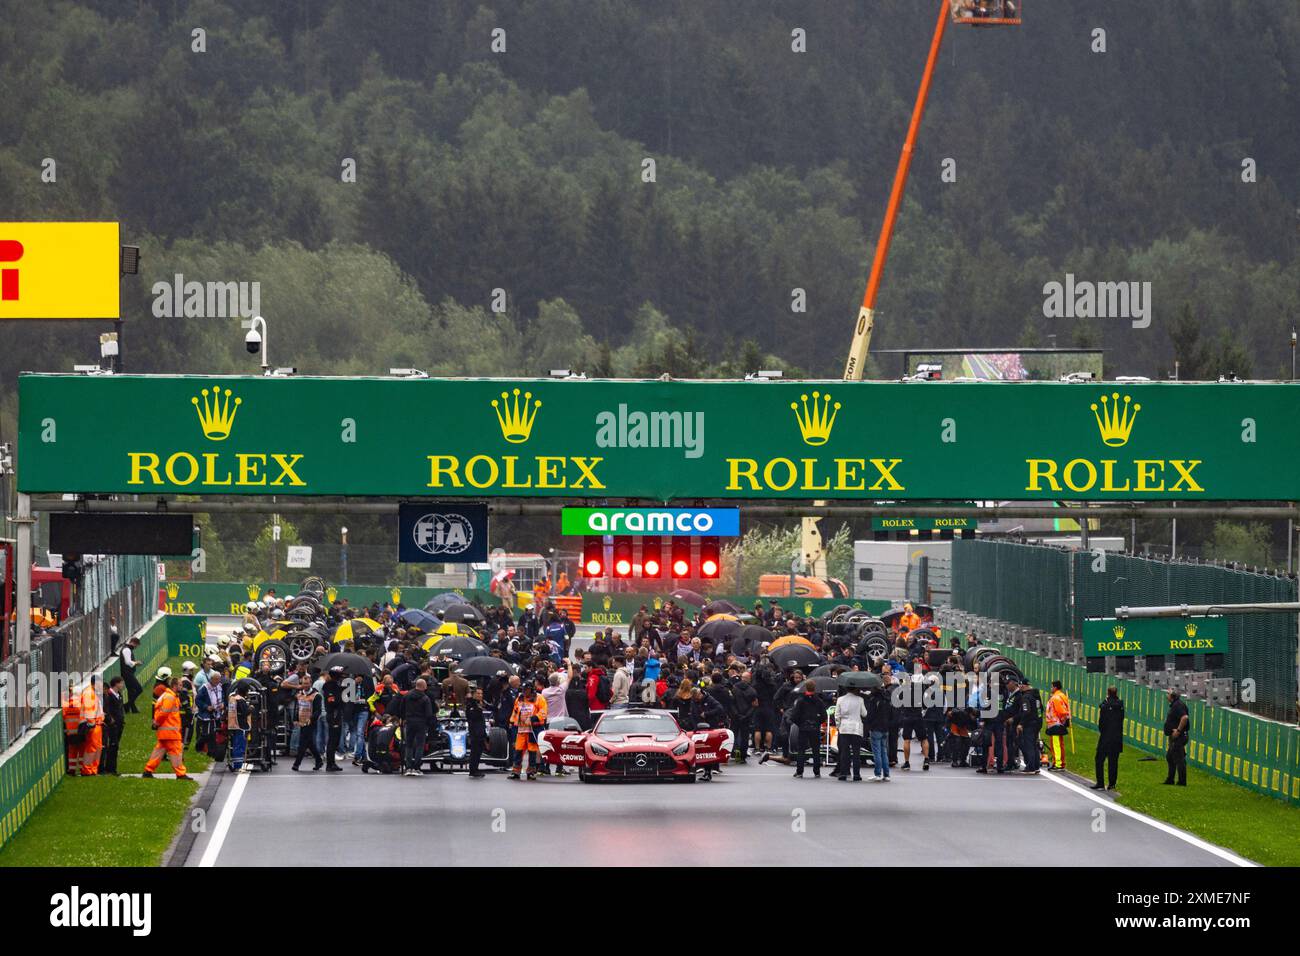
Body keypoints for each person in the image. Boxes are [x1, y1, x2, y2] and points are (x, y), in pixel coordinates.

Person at [143, 677, 189, 778]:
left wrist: (157, 723)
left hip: (166, 731)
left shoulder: (169, 696)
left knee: (158, 752)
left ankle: (148, 771)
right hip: (171, 732)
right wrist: (157, 723)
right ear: (174, 686)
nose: (182, 687)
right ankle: (181, 774)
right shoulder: (170, 697)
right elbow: (164, 713)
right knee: (176, 752)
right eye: (180, 685)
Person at [508, 684, 548, 780]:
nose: (525, 691)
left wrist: (533, 718)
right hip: (521, 729)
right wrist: (512, 722)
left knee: (532, 750)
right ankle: (516, 771)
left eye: (527, 689)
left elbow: (544, 712)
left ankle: (531, 771)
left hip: (533, 729)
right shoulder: (520, 698)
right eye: (524, 689)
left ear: (531, 689)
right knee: (518, 749)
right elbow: (515, 711)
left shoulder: (539, 698)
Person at [788, 680, 825, 778]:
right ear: (814, 688)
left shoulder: (800, 700)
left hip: (803, 727)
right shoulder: (819, 701)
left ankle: (799, 771)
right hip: (815, 727)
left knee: (801, 750)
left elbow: (794, 716)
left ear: (806, 688)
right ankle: (817, 771)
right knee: (816, 750)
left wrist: (800, 724)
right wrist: (817, 723)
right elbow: (824, 715)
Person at [402, 678, 434, 776]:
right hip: (421, 723)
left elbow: (401, 709)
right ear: (423, 686)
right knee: (420, 745)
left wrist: (404, 718)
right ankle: (417, 767)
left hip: (409, 722)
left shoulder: (407, 696)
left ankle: (408, 767)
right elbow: (429, 714)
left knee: (409, 744)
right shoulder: (425, 698)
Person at [1094, 686, 1124, 790]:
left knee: (1099, 759)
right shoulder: (1120, 705)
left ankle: (1100, 783)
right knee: (1113, 761)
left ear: (1108, 693)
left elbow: (1101, 722)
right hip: (1117, 737)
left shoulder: (1105, 706)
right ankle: (1112, 783)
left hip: (1106, 736)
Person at [291, 679, 324, 771]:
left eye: (307, 683)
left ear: (311, 683)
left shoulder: (316, 695)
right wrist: (295, 719)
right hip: (301, 721)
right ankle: (319, 760)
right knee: (309, 743)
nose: (305, 685)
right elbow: (297, 707)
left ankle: (296, 764)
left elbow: (318, 710)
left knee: (303, 743)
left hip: (310, 722)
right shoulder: (299, 694)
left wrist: (312, 719)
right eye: (304, 683)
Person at [834, 686, 865, 781]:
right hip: (856, 728)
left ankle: (843, 773)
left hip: (844, 728)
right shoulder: (860, 699)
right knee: (856, 753)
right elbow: (864, 713)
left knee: (844, 752)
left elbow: (837, 715)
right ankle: (856, 774)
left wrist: (839, 726)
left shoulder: (840, 699)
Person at [1015, 679, 1044, 774]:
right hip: (1038, 722)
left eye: (1020, 686)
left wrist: (1021, 723)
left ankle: (1031, 767)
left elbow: (1026, 711)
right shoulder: (1036, 695)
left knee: (1029, 745)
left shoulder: (1026, 697)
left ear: (1023, 686)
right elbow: (1041, 709)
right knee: (1034, 744)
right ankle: (1036, 766)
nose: (1019, 688)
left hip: (1030, 724)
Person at [321, 666, 346, 771]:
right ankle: (329, 764)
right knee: (332, 740)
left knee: (335, 741)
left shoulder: (335, 685)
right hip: (333, 715)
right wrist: (341, 698)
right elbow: (332, 701)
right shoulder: (329, 686)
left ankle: (332, 763)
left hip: (336, 714)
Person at [78, 675, 104, 776]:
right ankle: (87, 770)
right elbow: (89, 711)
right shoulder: (89, 693)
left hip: (97, 724)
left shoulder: (92, 692)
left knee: (97, 747)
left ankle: (93, 769)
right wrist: (91, 723)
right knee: (91, 748)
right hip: (93, 725)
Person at [865, 684, 892, 781]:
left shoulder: (874, 700)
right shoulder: (887, 699)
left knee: (877, 752)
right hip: (885, 727)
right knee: (884, 752)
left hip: (876, 727)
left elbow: (870, 715)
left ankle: (877, 773)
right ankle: (886, 774)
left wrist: (868, 726)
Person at [1163, 689, 1189, 786]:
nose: (1166, 695)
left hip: (1179, 736)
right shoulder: (1175, 705)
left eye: (1168, 694)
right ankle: (1170, 779)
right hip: (1176, 737)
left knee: (1179, 759)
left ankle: (1182, 781)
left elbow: (1185, 718)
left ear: (1172, 696)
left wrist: (1178, 731)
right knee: (1170, 757)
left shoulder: (1178, 705)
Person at [1044, 679, 1071, 771]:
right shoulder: (1062, 696)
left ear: (1055, 687)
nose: (1051, 688)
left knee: (1056, 745)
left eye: (1052, 686)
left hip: (1055, 723)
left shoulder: (1056, 698)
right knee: (1059, 744)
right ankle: (1060, 762)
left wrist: (1062, 719)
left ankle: (1058, 763)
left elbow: (1061, 711)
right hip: (1057, 723)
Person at [226, 682, 252, 772]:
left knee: (236, 745)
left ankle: (236, 764)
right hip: (241, 726)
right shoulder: (240, 700)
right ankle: (238, 766)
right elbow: (245, 712)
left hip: (233, 725)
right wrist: (250, 708)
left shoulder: (232, 698)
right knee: (240, 746)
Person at [102, 676, 125, 775]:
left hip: (119, 725)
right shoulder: (109, 695)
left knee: (115, 746)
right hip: (113, 726)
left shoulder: (118, 694)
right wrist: (111, 721)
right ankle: (110, 769)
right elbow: (106, 710)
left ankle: (112, 768)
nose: (123, 685)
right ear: (116, 683)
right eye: (121, 683)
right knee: (113, 745)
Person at [466, 686, 489, 778]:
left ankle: (475, 768)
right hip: (475, 731)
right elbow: (472, 717)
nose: (480, 695)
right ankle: (473, 770)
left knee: (478, 752)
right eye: (478, 693)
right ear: (473, 694)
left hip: (480, 731)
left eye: (481, 693)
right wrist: (479, 708)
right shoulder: (471, 704)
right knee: (475, 752)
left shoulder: (480, 703)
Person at [119, 637, 143, 713]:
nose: (136, 647)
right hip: (127, 673)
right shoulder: (127, 649)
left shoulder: (127, 649)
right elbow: (128, 662)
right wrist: (136, 663)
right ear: (133, 643)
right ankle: (127, 705)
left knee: (131, 691)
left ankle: (132, 709)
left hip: (127, 673)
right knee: (139, 689)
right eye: (136, 646)